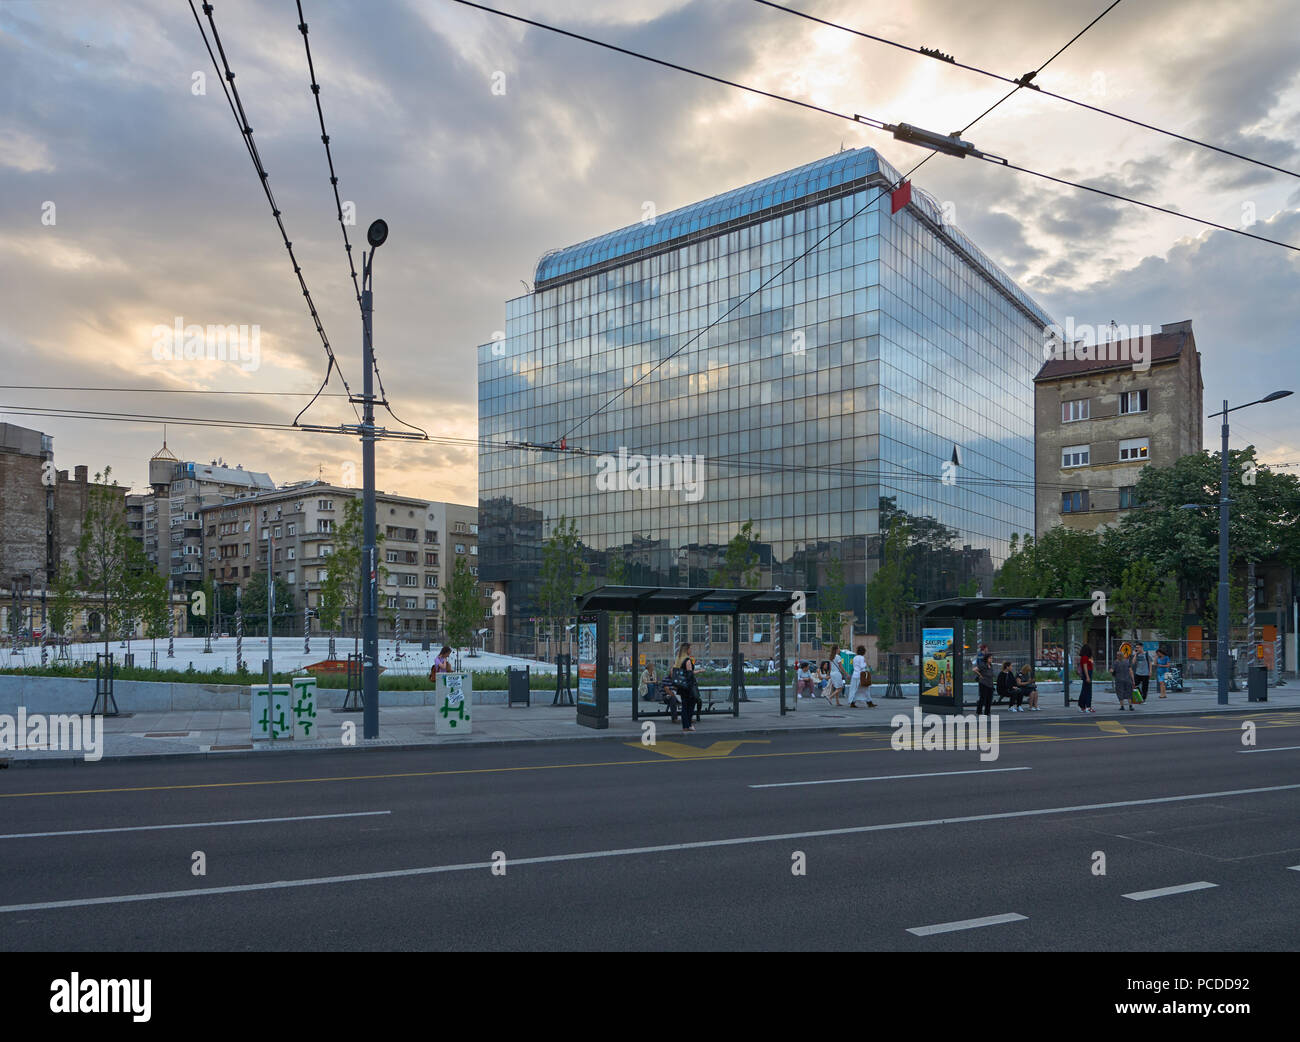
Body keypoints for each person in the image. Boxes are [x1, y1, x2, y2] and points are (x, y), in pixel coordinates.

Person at [673, 644, 699, 732]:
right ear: (687, 650)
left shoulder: (678, 659)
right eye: (690, 648)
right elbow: (689, 674)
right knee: (691, 705)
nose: (691, 650)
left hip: (682, 687)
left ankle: (685, 726)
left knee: (684, 706)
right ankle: (689, 725)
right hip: (688, 687)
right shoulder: (687, 660)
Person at [1078, 643, 1095, 713]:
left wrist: (1091, 659)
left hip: (1088, 673)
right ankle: (1088, 706)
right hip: (1087, 674)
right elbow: (1085, 667)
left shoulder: (1086, 657)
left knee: (1085, 690)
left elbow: (1092, 663)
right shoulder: (1084, 657)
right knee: (1087, 691)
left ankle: (1082, 706)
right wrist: (1087, 677)